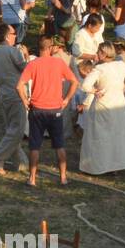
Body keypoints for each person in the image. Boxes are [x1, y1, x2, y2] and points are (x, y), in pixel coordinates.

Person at [18, 36, 80, 187]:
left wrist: (25, 100)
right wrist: (66, 99)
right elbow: (74, 81)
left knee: (35, 146)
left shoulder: (33, 64)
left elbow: (19, 85)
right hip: (55, 110)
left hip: (37, 109)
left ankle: (32, 178)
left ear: (39, 47)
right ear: (51, 47)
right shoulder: (59, 63)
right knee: (59, 145)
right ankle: (63, 177)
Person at [77, 41, 125, 175]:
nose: (96, 54)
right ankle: (116, 166)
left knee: (100, 136)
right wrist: (124, 87)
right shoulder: (120, 66)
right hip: (118, 105)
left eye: (98, 52)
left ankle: (100, 165)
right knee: (117, 135)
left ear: (103, 53)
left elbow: (85, 86)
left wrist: (95, 91)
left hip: (103, 105)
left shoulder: (99, 69)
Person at [0, 23, 29, 177]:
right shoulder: (12, 51)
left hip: (4, 94)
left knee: (11, 130)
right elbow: (26, 69)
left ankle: (19, 163)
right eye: (14, 33)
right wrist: (27, 56)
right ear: (7, 36)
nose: (16, 35)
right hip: (16, 95)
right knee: (17, 131)